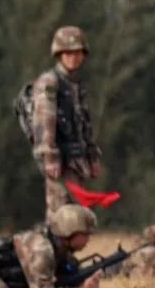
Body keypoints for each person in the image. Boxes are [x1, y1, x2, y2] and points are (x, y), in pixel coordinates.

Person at [26, 26, 102, 222]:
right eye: (68, 53)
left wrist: (92, 156)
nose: (73, 57)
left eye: (77, 53)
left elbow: (84, 124)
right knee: (62, 219)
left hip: (77, 163)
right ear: (59, 54)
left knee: (75, 218)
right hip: (60, 163)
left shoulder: (75, 85)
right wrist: (49, 156)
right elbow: (44, 121)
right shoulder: (49, 82)